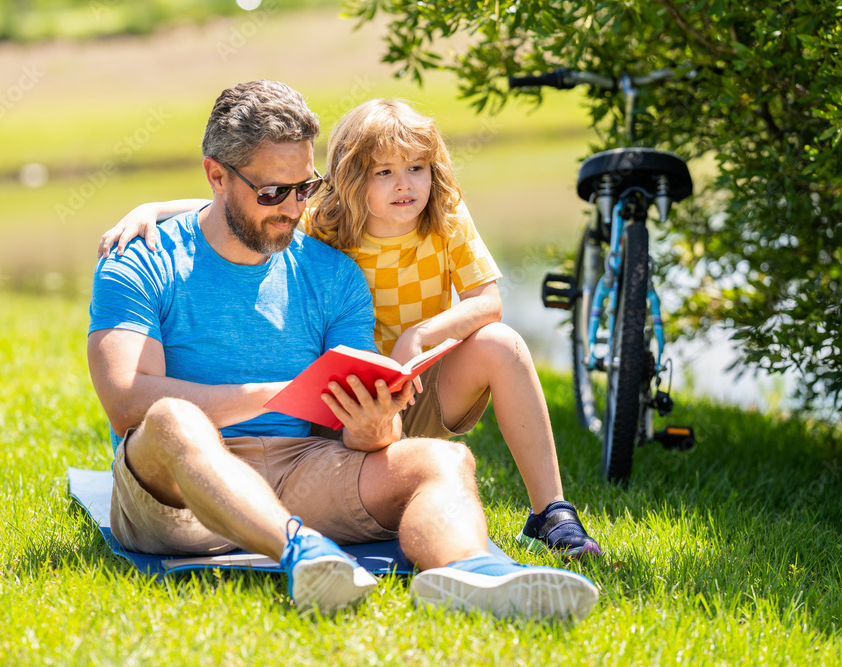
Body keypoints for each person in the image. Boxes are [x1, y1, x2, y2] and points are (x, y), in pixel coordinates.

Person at [88, 80, 598, 620]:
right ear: (216, 175)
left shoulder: (332, 271)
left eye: (303, 188)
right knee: (173, 419)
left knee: (441, 458)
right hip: (177, 494)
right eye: (271, 193)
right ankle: (301, 552)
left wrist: (375, 425)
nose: (291, 208)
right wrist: (275, 395)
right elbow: (126, 400)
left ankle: (477, 574)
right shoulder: (141, 258)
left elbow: (363, 437)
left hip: (302, 469)